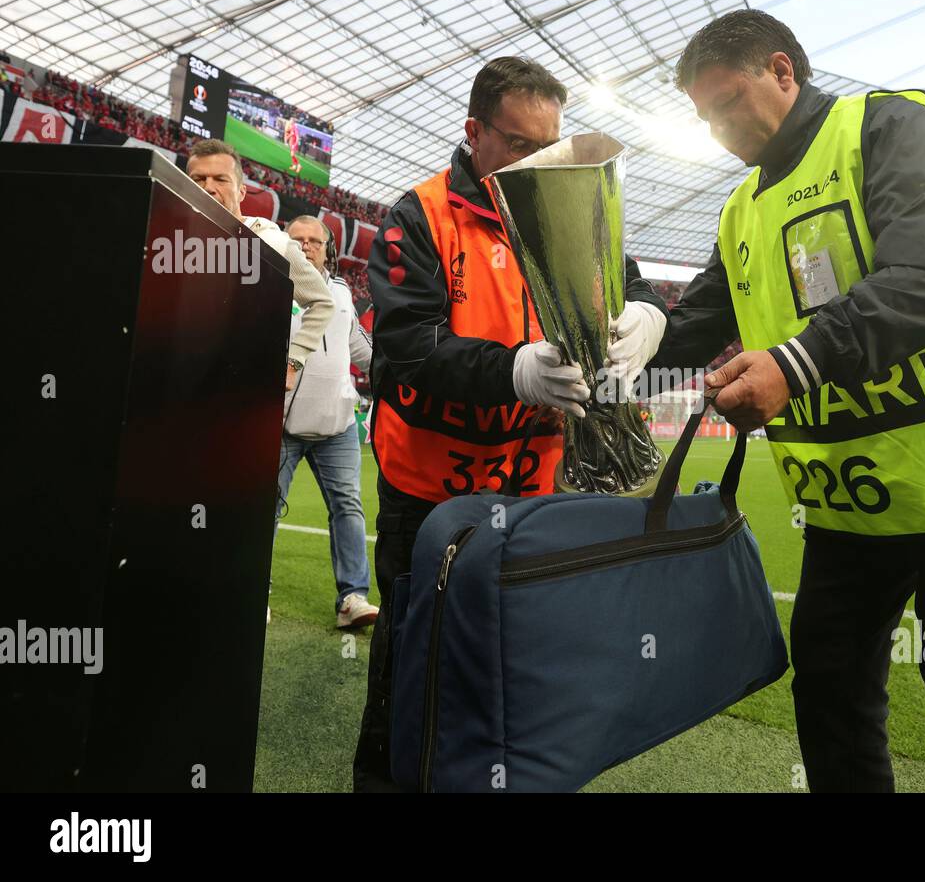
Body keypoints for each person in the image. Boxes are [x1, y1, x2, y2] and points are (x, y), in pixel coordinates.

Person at [624, 10, 925, 792]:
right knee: (832, 696)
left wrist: (794, 365)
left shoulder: (888, 128)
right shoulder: (741, 209)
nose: (717, 128)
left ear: (783, 71)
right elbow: (690, 328)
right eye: (704, 116)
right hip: (851, 510)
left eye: (729, 101)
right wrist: (621, 331)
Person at [352, 56, 667, 792]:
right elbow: (406, 350)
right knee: (411, 665)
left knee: (518, 664)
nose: (542, 161)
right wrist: (515, 372)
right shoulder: (419, 216)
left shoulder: (570, 203)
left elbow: (632, 281)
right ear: (474, 132)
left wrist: (650, 314)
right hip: (428, 497)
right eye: (522, 144)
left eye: (551, 144)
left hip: (534, 498)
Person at [274, 215, 378, 629]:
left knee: (348, 507)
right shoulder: (268, 288)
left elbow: (357, 345)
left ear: (329, 250)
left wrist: (395, 371)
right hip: (279, 425)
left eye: (314, 241)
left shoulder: (341, 292)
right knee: (263, 511)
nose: (305, 246)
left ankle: (352, 598)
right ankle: (249, 589)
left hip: (337, 425)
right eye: (296, 239)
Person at [185, 139, 333, 394]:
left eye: (220, 179)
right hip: (182, 383)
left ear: (241, 191)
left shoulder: (271, 241)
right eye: (198, 179)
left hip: (244, 391)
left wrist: (293, 361)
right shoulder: (173, 237)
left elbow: (323, 302)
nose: (208, 188)